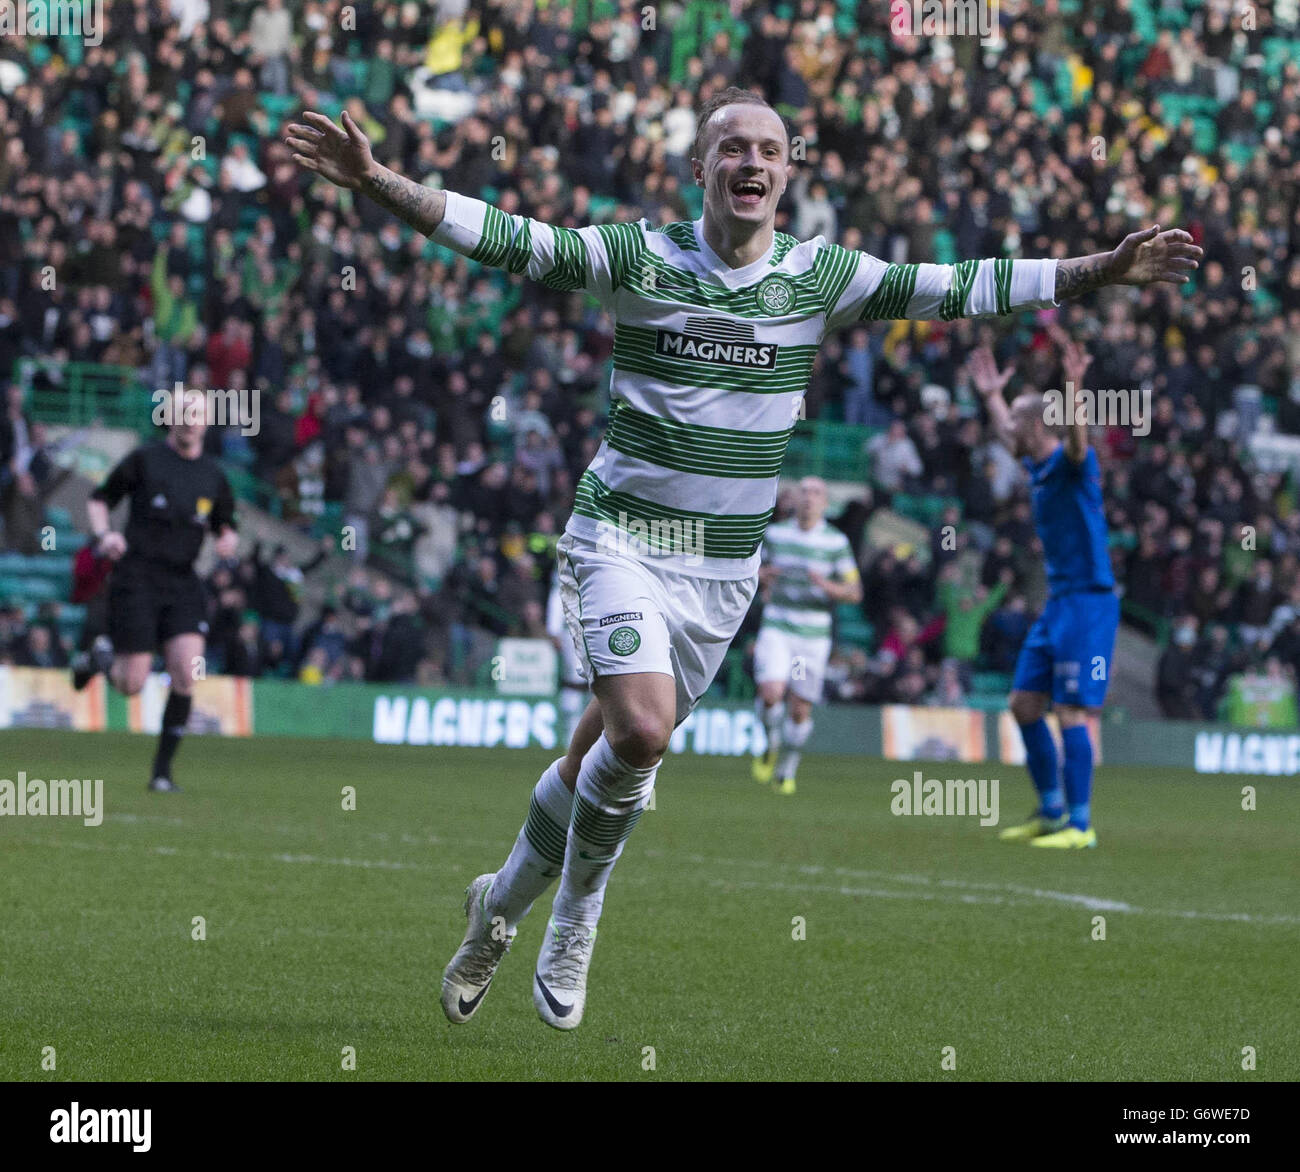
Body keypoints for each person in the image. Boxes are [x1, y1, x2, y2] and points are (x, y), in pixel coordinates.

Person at [286, 88, 1200, 1027]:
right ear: (701, 170)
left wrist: (1104, 269)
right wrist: (376, 180)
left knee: (594, 757)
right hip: (621, 539)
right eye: (732, 149)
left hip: (719, 574)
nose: (752, 164)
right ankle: (575, 916)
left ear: (789, 172)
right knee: (640, 735)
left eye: (769, 149)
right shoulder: (639, 257)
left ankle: (496, 906)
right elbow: (510, 237)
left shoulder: (822, 277)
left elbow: (962, 285)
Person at [969, 332, 1119, 849]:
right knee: (1024, 704)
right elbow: (1009, 435)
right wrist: (991, 395)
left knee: (1072, 711)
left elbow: (1077, 442)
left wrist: (1074, 386)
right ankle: (1051, 810)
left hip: (1089, 603)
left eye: (1013, 417)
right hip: (1059, 603)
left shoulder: (1074, 466)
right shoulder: (1035, 464)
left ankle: (1081, 825)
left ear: (1035, 426)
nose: (1005, 426)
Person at [73, 389, 238, 791]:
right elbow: (99, 499)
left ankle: (162, 773)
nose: (189, 419)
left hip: (182, 582)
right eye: (183, 412)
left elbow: (225, 523)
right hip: (137, 577)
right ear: (171, 416)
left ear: (206, 420)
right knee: (132, 683)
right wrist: (104, 535)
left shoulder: (213, 476)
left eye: (197, 413)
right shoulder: (145, 460)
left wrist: (227, 539)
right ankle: (102, 658)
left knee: (186, 671)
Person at [751, 476, 862, 794]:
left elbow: (855, 592)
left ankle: (788, 766)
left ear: (826, 503)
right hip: (778, 627)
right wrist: (761, 574)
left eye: (816, 493)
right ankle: (771, 741)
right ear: (794, 499)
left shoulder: (835, 543)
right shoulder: (774, 535)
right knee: (771, 692)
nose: (810, 498)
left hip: (812, 637)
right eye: (805, 492)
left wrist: (827, 586)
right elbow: (748, 568)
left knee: (800, 708)